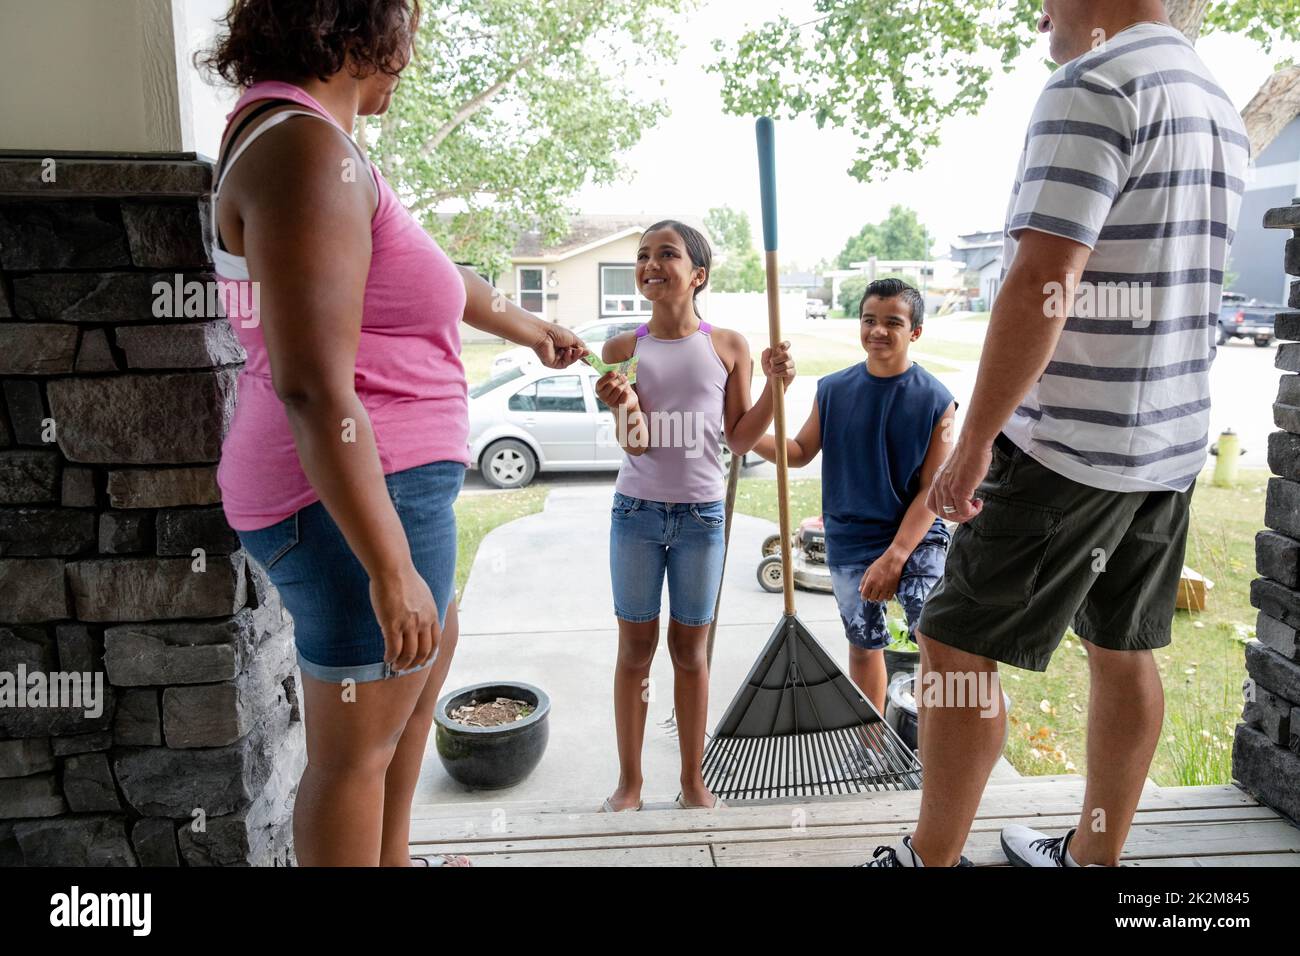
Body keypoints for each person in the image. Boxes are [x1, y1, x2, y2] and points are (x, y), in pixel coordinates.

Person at [860, 0, 1249, 867]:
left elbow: (1044, 277)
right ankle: (1091, 860)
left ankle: (930, 860)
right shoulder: (1211, 99)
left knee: (954, 645)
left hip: (1067, 446)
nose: (1040, 18)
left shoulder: (1094, 82)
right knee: (1125, 648)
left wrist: (972, 448)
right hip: (1167, 449)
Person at [200, 0, 586, 866]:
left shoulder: (313, 144)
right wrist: (388, 566)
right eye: (404, 25)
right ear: (353, 30)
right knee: (354, 758)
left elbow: (437, 278)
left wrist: (530, 328)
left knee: (397, 729)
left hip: (385, 488)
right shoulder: (301, 149)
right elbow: (309, 385)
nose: (408, 53)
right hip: (346, 498)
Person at [595, 220, 795, 812]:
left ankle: (692, 783)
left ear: (697, 274)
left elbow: (738, 439)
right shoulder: (621, 350)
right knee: (635, 650)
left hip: (702, 519)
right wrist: (626, 405)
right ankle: (629, 785)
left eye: (667, 254)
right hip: (635, 514)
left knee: (691, 653)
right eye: (643, 255)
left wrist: (776, 390)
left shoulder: (727, 347)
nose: (651, 263)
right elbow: (635, 445)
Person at [752, 278, 955, 713]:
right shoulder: (833, 390)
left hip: (917, 538)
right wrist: (744, 435)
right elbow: (800, 452)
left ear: (915, 331)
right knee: (864, 646)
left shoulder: (937, 400)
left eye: (892, 322)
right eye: (869, 320)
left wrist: (896, 556)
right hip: (851, 538)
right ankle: (872, 749)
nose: (877, 330)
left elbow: (932, 493)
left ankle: (937, 741)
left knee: (935, 642)